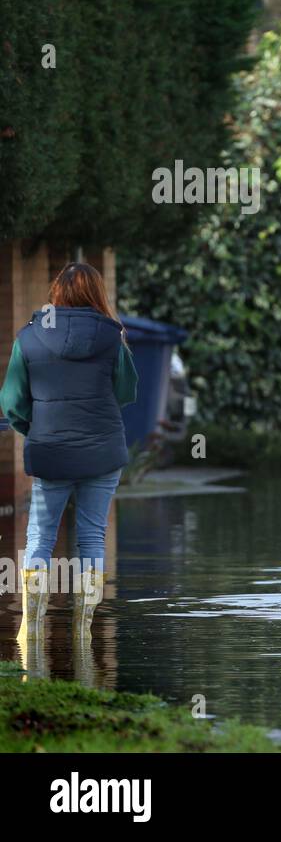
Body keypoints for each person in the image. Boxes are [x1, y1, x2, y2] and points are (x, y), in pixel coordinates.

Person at [0, 262, 139, 641]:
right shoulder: (112, 337)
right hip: (103, 451)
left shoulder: (28, 338)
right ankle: (83, 630)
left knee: (39, 538)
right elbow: (127, 391)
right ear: (97, 294)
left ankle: (31, 627)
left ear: (55, 294)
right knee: (92, 536)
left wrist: (36, 429)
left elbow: (11, 402)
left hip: (51, 450)